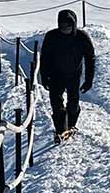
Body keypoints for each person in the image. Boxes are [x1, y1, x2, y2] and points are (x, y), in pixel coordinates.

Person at [37, 9, 95, 141]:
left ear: (73, 25)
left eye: (68, 26)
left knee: (73, 104)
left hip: (74, 75)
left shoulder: (82, 37)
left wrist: (89, 79)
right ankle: (60, 129)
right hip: (55, 75)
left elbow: (90, 58)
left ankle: (71, 126)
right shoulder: (51, 36)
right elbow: (45, 57)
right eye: (62, 26)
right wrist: (44, 76)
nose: (65, 29)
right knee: (56, 104)